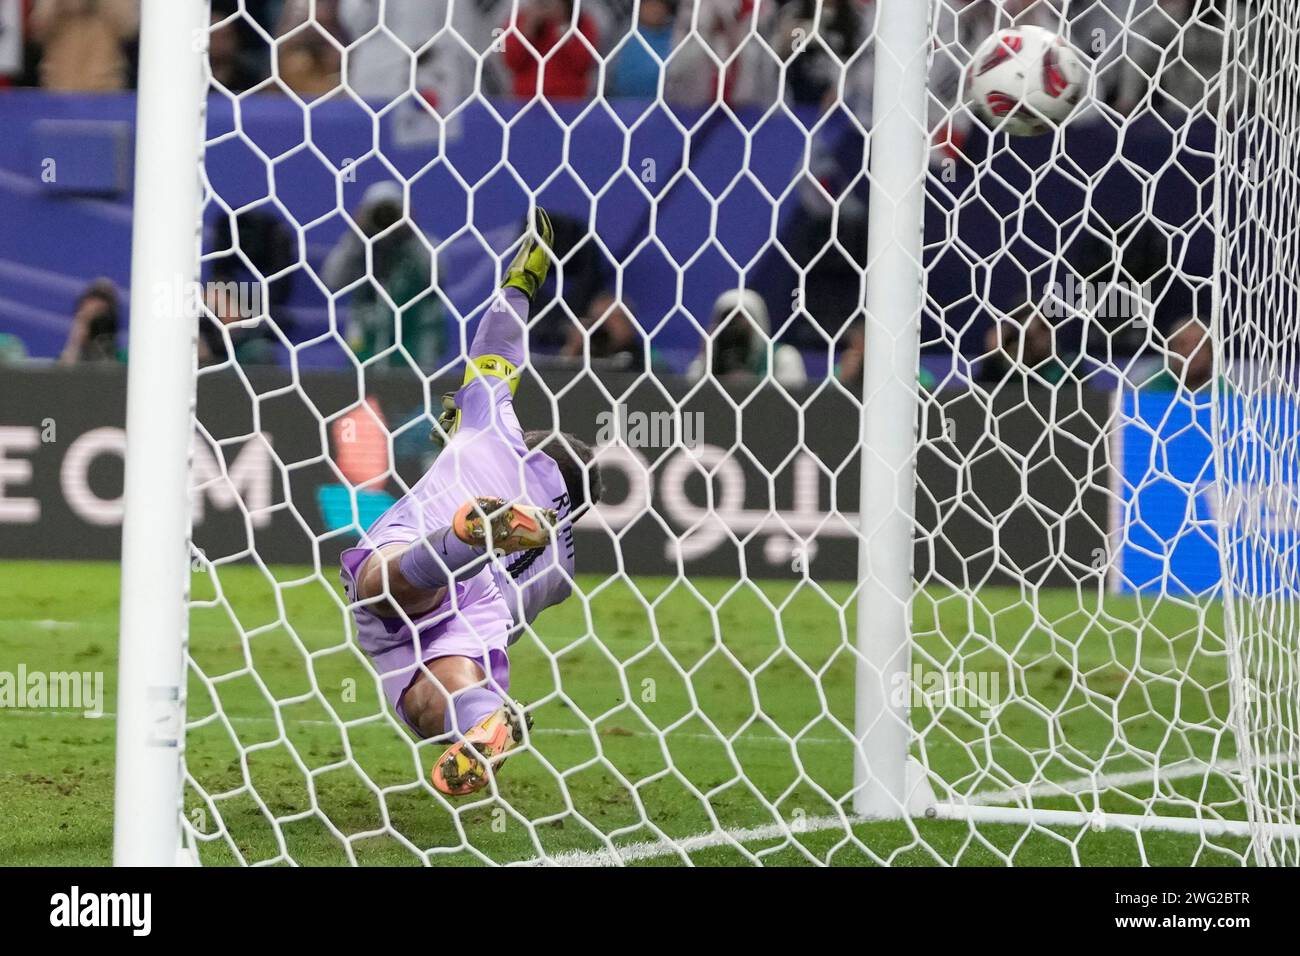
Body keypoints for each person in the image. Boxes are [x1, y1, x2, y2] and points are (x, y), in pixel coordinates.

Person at [340, 209, 603, 796]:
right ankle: (483, 714)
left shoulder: (496, 429)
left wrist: (520, 285)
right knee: (438, 698)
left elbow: (498, 343)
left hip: (436, 543)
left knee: (378, 587)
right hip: (481, 617)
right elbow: (512, 615)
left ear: (535, 444)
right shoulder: (561, 573)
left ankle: (465, 538)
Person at [322, 182, 444, 370]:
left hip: (412, 337)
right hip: (366, 338)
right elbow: (332, 278)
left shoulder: (421, 245)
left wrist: (410, 232)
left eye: (392, 211)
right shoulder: (359, 246)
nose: (386, 219)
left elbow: (439, 273)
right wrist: (356, 235)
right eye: (378, 212)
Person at [686, 289, 807, 388]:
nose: (733, 326)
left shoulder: (783, 357)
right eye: (727, 318)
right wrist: (706, 362)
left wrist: (751, 385)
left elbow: (791, 402)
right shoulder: (704, 363)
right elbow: (693, 406)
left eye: (740, 317)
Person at [502, 0, 599, 100]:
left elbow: (583, 64)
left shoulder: (582, 24)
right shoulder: (516, 22)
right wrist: (527, 30)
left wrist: (565, 30)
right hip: (526, 101)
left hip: (569, 102)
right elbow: (511, 62)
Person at [60, 279, 123, 364]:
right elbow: (63, 373)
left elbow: (109, 372)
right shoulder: (69, 358)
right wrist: (76, 340)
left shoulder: (127, 360)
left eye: (101, 312)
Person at [1144, 316, 1213, 392]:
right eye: (1182, 344)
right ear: (1170, 350)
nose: (1190, 351)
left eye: (1199, 344)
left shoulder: (1225, 390)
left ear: (1211, 351)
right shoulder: (1149, 388)